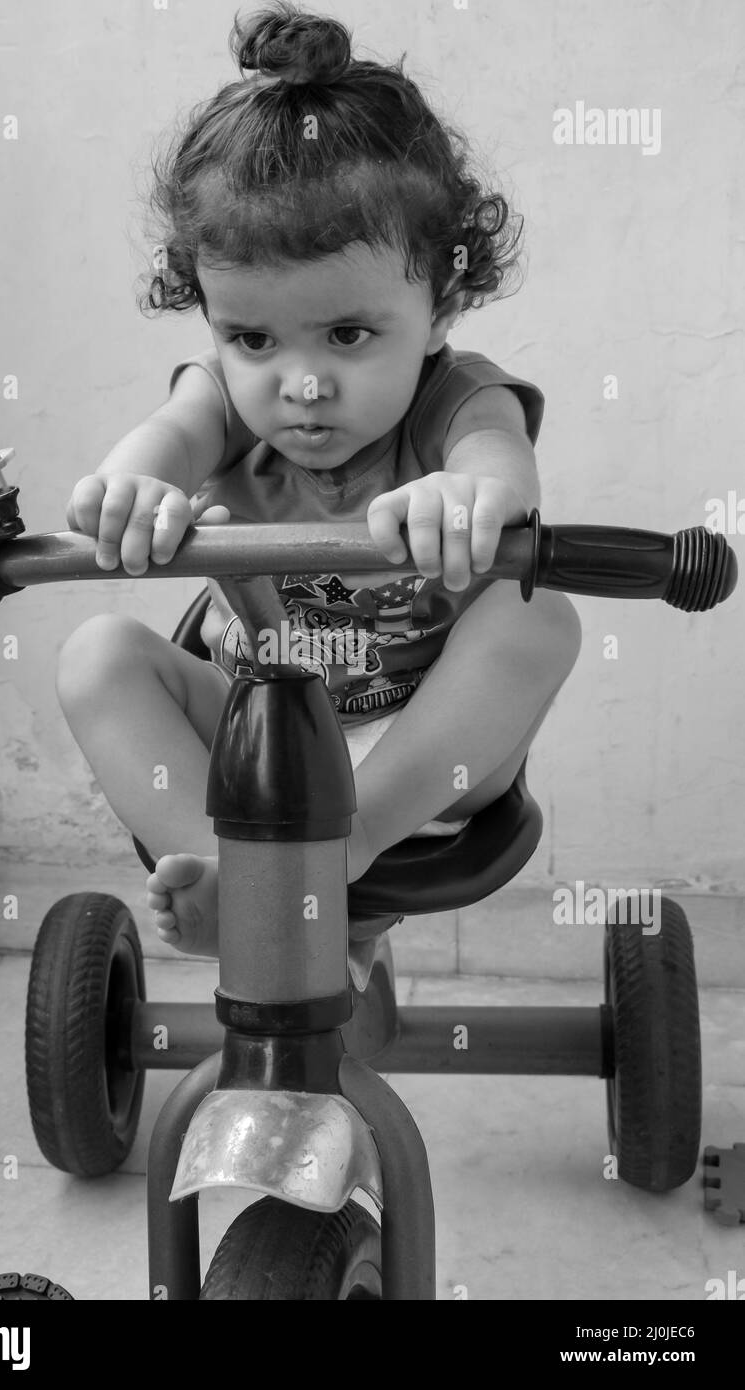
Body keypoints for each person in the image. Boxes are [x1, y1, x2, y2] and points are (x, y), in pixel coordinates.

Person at [56, 3, 581, 959]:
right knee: (97, 653)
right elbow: (164, 438)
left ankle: (339, 852)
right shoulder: (218, 404)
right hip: (258, 748)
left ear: (442, 301)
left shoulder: (456, 402)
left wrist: (470, 497)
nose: (299, 383)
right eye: (252, 338)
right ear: (206, 311)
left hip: (422, 762)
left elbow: (502, 467)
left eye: (347, 334)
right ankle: (230, 878)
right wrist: (132, 490)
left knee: (538, 614)